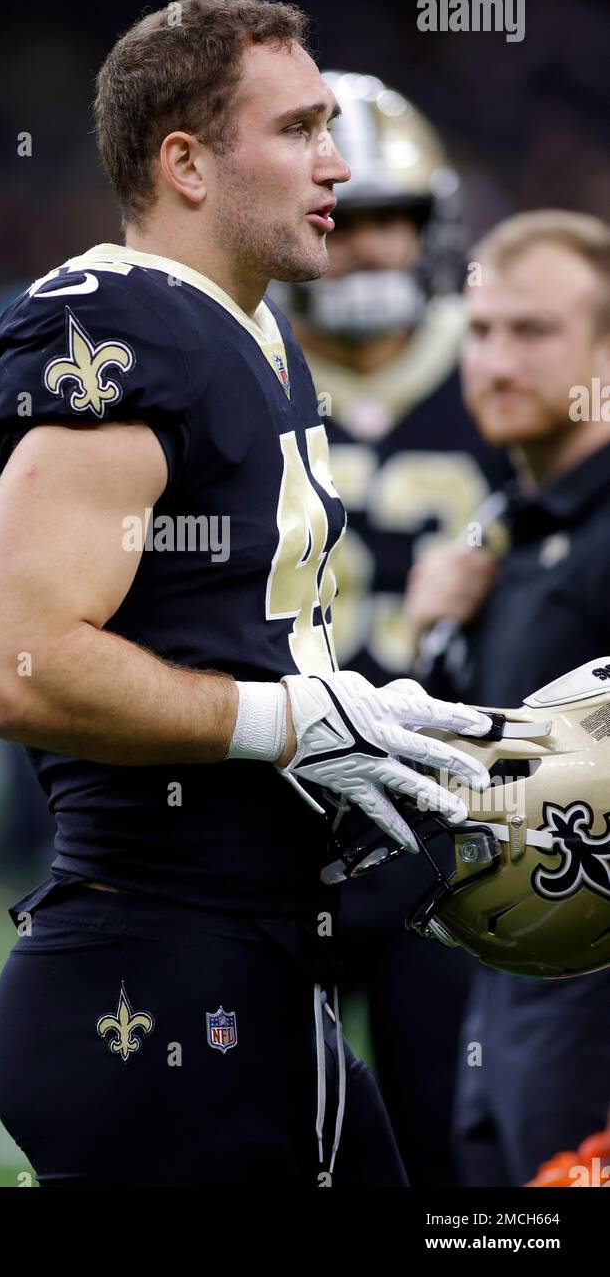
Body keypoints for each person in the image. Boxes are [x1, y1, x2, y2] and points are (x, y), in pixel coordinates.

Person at [0, 0, 493, 1188]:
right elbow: (6, 663)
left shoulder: (248, 333)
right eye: (299, 130)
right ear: (186, 163)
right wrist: (283, 722)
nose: (338, 164)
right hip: (156, 977)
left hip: (246, 958)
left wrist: (352, 712)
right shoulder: (126, 333)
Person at [271, 72, 508, 1185]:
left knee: (454, 1145)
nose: (366, 249)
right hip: (274, 814)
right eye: (345, 218)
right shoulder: (234, 358)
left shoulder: (503, 359)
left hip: (454, 826)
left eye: (392, 221)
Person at [406, 208, 610, 1187]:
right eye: (481, 331)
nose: (497, 358)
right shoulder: (506, 529)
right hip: (506, 985)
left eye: (535, 332)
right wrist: (436, 639)